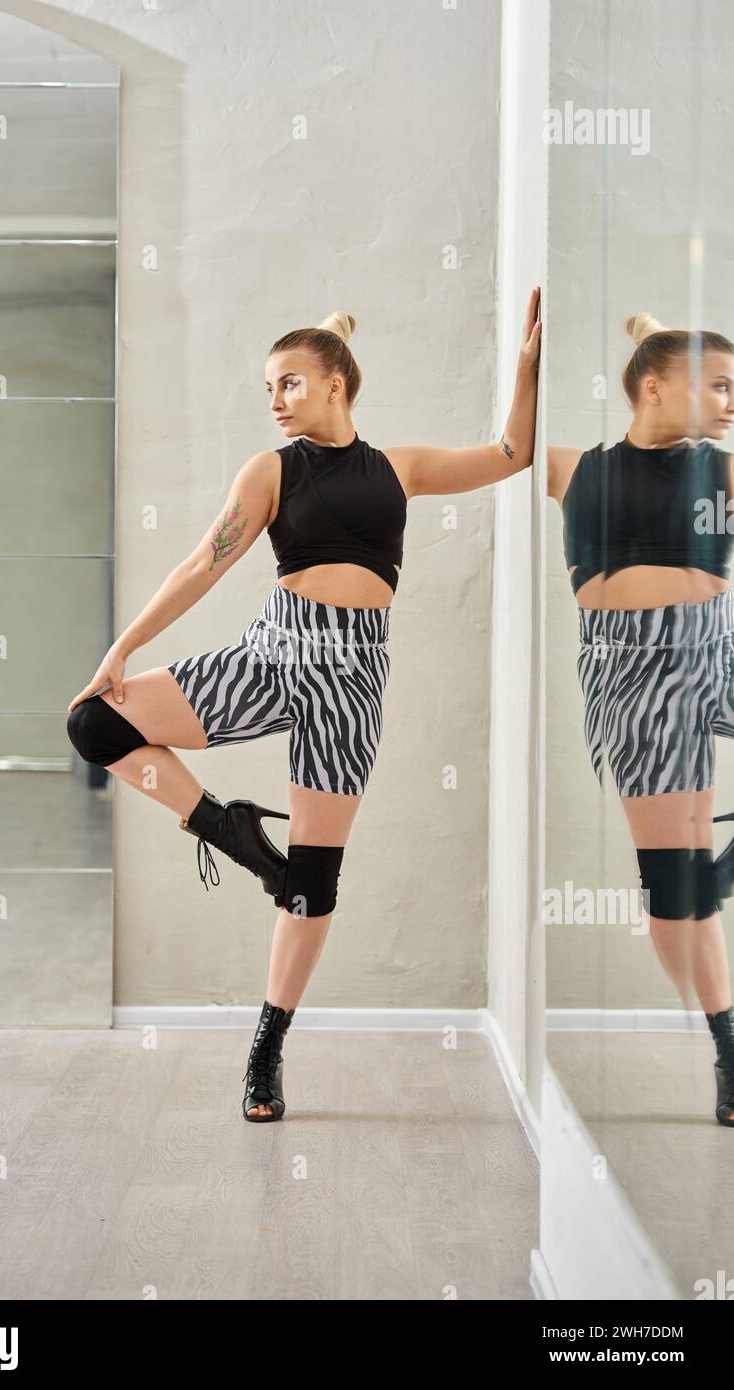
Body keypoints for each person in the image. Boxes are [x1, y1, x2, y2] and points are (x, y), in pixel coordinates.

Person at [67, 289, 541, 1121]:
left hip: (353, 680)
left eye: (289, 382)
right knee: (95, 723)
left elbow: (511, 453)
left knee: (313, 885)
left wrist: (528, 369)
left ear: (335, 383)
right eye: (268, 389)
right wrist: (120, 650)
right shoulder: (270, 471)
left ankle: (265, 1053)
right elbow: (200, 566)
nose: (276, 400)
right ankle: (234, 835)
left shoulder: (401, 467)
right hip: (274, 652)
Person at [548, 311, 734, 1126]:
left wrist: (686, 363)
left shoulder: (724, 471)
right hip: (629, 669)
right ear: (650, 385)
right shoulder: (574, 467)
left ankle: (714, 875)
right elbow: (503, 448)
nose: (731, 401)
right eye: (719, 385)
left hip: (716, 644)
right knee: (673, 886)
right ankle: (727, 1048)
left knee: (694, 881)